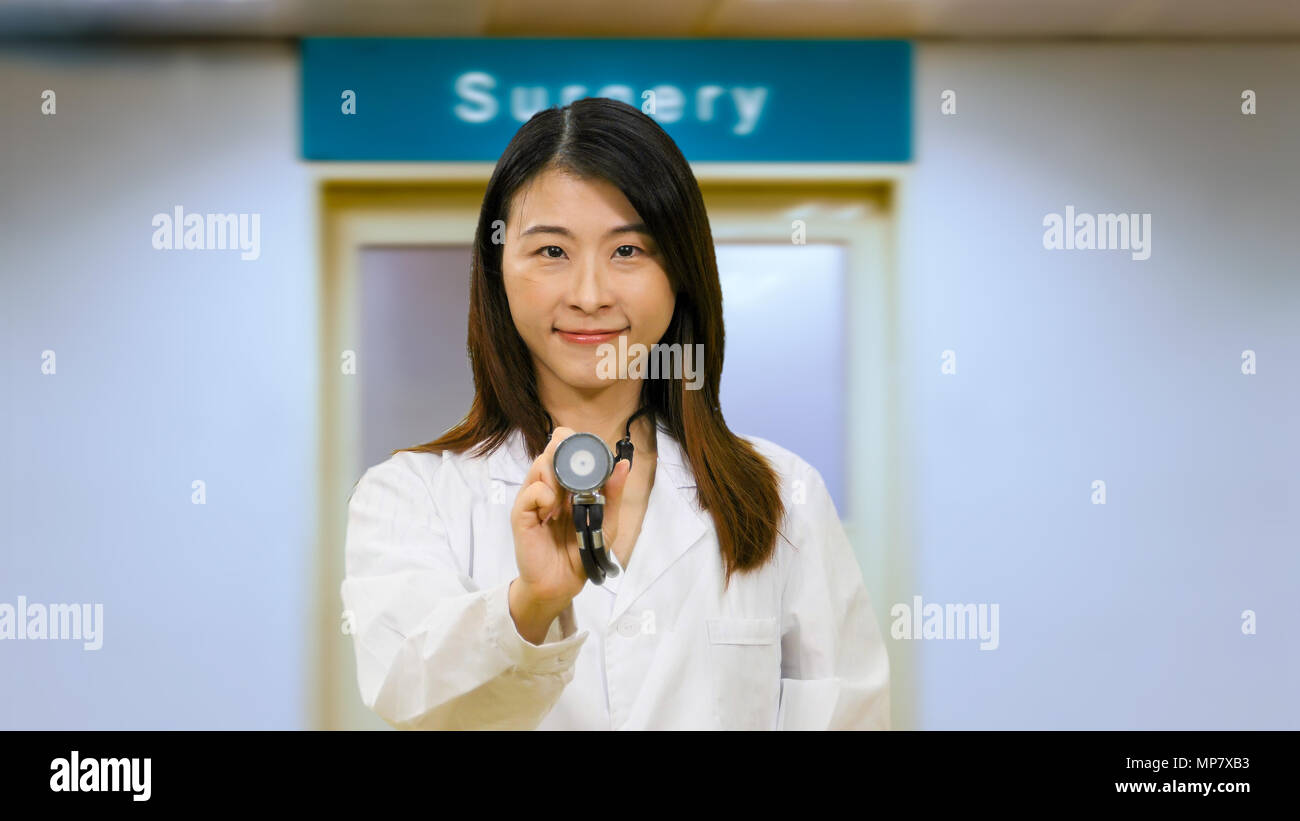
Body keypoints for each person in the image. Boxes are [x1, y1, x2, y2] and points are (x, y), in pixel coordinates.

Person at [340, 97, 890, 730]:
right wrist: (531, 605)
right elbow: (416, 703)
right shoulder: (411, 496)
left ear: (681, 273)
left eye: (628, 252)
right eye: (552, 252)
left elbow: (849, 716)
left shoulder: (780, 494)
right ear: (498, 272)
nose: (590, 295)